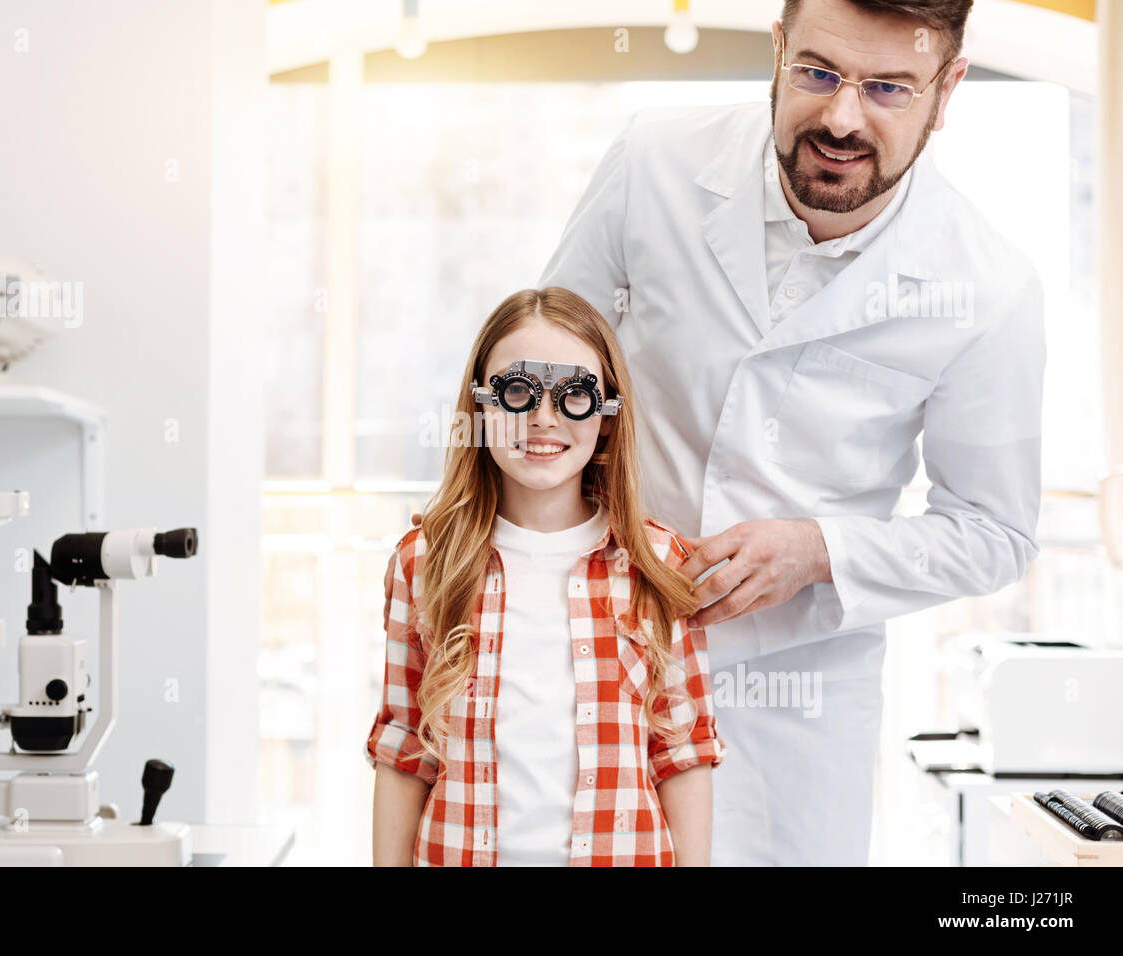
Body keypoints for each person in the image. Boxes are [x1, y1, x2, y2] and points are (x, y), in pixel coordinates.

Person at [539, 0, 1045, 865]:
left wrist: (819, 551)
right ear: (776, 50)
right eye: (817, 73)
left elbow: (994, 534)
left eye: (889, 87)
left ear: (947, 87)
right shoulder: (654, 160)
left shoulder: (987, 288)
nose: (842, 119)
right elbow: (547, 377)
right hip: (591, 651)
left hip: (797, 704)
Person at [365, 286, 725, 866]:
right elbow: (405, 751)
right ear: (482, 408)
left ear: (606, 418)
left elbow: (682, 754)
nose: (543, 418)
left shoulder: (657, 565)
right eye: (516, 391)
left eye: (575, 395)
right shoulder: (426, 562)